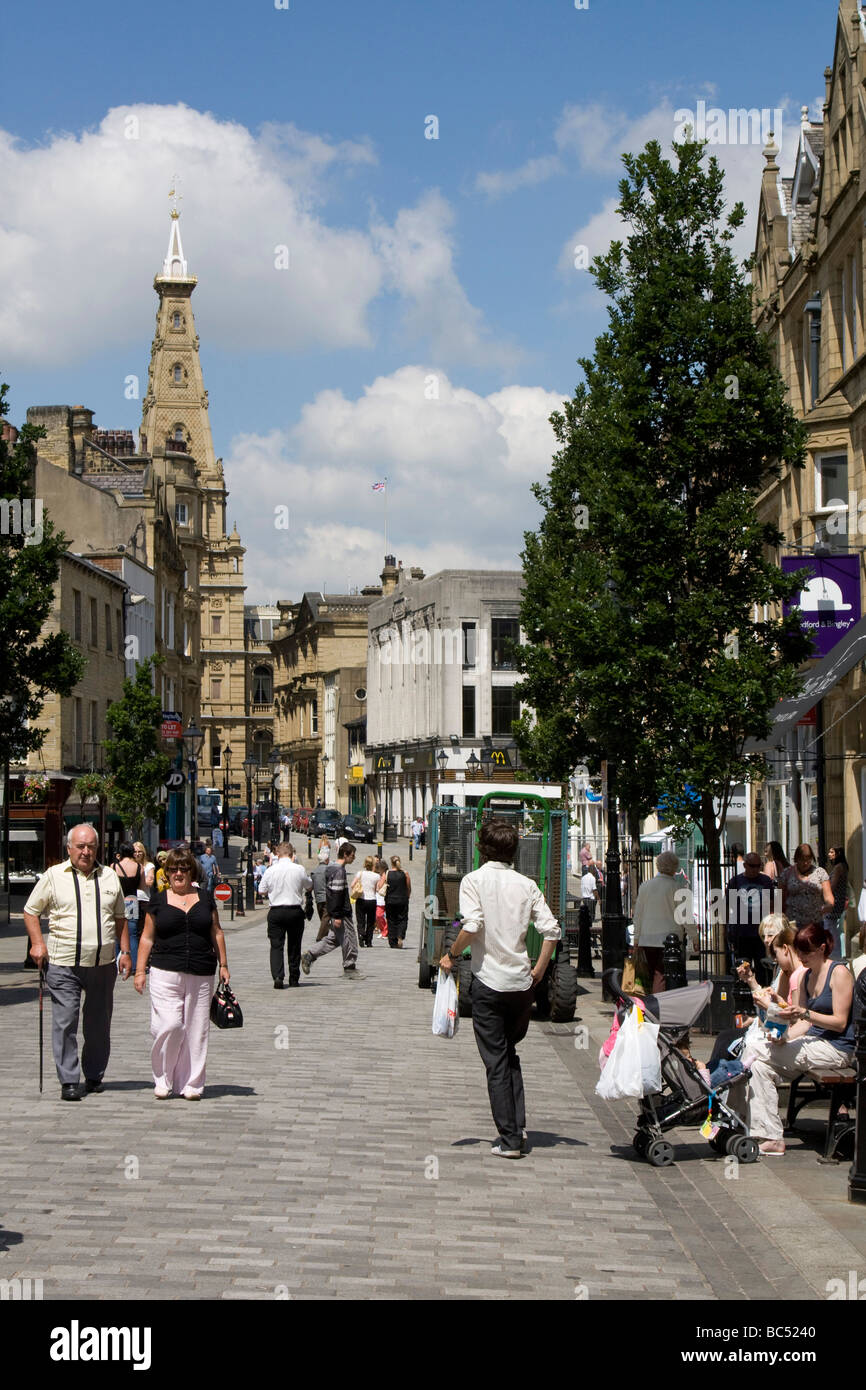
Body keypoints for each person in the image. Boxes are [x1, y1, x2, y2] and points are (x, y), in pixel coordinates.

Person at [439, 818, 560, 1159]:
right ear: (513, 850)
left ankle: (509, 1139)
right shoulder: (526, 884)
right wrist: (538, 971)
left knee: (496, 1061)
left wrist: (451, 954)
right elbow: (551, 931)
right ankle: (517, 1125)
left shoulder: (473, 881)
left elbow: (473, 925)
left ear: (481, 848)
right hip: (521, 985)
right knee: (509, 1054)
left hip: (490, 983)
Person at [22, 825, 130, 1101]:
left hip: (103, 963)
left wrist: (126, 951)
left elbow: (120, 917)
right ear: (68, 848)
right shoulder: (53, 876)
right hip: (63, 963)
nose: (86, 851)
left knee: (98, 1023)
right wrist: (37, 943)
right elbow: (31, 911)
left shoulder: (109, 876)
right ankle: (69, 1080)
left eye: (91, 846)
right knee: (65, 1021)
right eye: (81, 846)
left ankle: (94, 1075)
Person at [744, 921, 855, 1155]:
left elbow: (840, 1021)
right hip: (813, 1041)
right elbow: (803, 1023)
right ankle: (770, 1136)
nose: (801, 957)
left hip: (836, 1048)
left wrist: (805, 1013)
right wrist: (783, 1037)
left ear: (822, 949)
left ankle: (734, 1114)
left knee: (753, 1049)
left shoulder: (839, 972)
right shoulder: (806, 977)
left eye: (806, 952)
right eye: (799, 951)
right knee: (758, 1067)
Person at [135, 847, 230, 1099]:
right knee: (171, 1024)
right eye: (174, 869)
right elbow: (146, 938)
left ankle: (192, 1084)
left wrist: (224, 965)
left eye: (184, 868)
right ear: (167, 873)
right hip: (164, 970)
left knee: (197, 1029)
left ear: (191, 871)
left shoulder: (206, 898)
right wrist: (139, 971)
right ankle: (163, 1078)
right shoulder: (157, 900)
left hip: (201, 970)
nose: (179, 873)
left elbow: (216, 932)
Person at [301, 844, 361, 980]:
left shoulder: (331, 868)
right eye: (352, 855)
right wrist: (337, 915)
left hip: (336, 910)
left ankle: (309, 955)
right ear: (345, 855)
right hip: (342, 912)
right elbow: (336, 893)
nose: (354, 857)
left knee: (333, 940)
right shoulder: (339, 870)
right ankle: (349, 967)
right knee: (349, 939)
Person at [258, 842, 312, 988]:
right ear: (292, 854)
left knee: (276, 945)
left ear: (277, 854)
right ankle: (294, 977)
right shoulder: (299, 869)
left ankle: (278, 976)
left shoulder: (271, 870)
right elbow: (309, 885)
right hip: (294, 910)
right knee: (294, 945)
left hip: (276, 911)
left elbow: (261, 890)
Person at [631, 850, 683, 993]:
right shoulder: (678, 887)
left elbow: (638, 915)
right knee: (660, 975)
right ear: (675, 867)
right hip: (670, 939)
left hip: (647, 937)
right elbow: (685, 916)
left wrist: (636, 937)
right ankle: (657, 1006)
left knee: (650, 973)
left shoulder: (645, 886)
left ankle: (647, 1003)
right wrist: (694, 938)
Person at [725, 851, 776, 978]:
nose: (755, 869)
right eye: (752, 866)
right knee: (743, 965)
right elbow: (728, 905)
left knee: (762, 967)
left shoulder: (766, 881)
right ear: (745, 865)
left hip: (761, 932)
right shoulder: (735, 882)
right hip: (742, 931)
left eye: (758, 866)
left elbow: (772, 904)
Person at [779, 844, 834, 930]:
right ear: (796, 859)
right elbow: (778, 899)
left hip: (815, 923)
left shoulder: (820, 872)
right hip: (793, 923)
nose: (805, 863)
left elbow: (829, 898)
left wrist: (826, 907)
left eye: (808, 860)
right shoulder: (787, 873)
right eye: (802, 860)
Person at [113, 841, 144, 970]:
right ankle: (135, 965)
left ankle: (115, 963)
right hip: (132, 900)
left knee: (116, 934)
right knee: (132, 933)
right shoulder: (139, 867)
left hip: (118, 901)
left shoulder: (114, 866)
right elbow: (142, 886)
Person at [379, 854, 411, 948]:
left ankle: (392, 941)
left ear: (391, 863)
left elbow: (380, 886)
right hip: (402, 900)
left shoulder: (387, 873)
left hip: (390, 900)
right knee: (402, 919)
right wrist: (407, 896)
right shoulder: (405, 873)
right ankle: (400, 936)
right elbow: (408, 887)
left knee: (391, 920)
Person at [825, 847, 849, 961]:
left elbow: (832, 886)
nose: (829, 854)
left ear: (838, 853)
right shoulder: (842, 867)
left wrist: (823, 891)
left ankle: (835, 954)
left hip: (835, 901)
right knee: (834, 928)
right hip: (839, 901)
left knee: (830, 926)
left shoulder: (839, 867)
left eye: (832, 852)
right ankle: (837, 954)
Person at [351, 855, 380, 948]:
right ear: (373, 865)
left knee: (360, 920)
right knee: (371, 922)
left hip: (361, 899)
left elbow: (352, 885)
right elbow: (377, 889)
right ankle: (369, 941)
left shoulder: (360, 873)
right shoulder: (376, 876)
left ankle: (361, 934)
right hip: (372, 900)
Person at [310, 848, 331, 941]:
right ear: (326, 860)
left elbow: (310, 886)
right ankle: (320, 937)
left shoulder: (314, 872)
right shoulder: (329, 870)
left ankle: (326, 935)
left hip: (318, 898)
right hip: (327, 897)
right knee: (325, 918)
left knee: (323, 918)